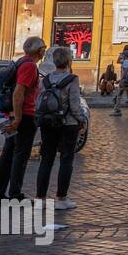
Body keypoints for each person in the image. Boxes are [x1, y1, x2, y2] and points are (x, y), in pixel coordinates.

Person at [34, 45, 85, 209]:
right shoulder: (72, 79)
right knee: (66, 160)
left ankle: (40, 198)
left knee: (46, 160)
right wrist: (82, 120)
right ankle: (61, 199)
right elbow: (75, 105)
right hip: (67, 124)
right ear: (69, 61)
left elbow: (39, 101)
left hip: (48, 123)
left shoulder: (46, 79)